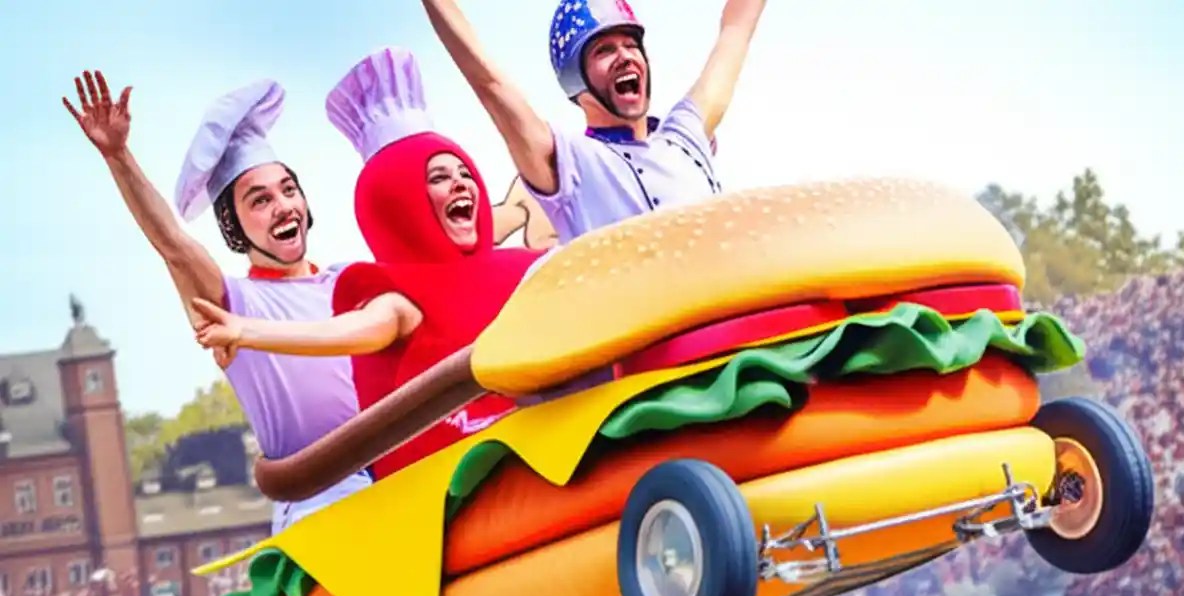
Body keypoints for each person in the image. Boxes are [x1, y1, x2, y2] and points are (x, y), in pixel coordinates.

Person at [191, 47, 540, 482]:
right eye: (436, 177)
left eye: (464, 171)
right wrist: (247, 331)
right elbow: (356, 330)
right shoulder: (389, 292)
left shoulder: (525, 268)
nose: (459, 182)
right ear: (399, 204)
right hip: (451, 482)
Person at [62, 70, 370, 533]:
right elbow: (172, 245)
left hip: (401, 479)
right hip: (319, 510)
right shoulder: (234, 304)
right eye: (260, 201)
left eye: (289, 190)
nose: (284, 206)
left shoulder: (351, 282)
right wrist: (118, 155)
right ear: (233, 225)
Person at [417, 0, 766, 246]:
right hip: (650, 348)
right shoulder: (567, 161)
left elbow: (735, 30)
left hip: (735, 333)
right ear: (576, 80)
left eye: (631, 45)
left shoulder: (685, 134)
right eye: (604, 50)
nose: (625, 56)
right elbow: (488, 82)